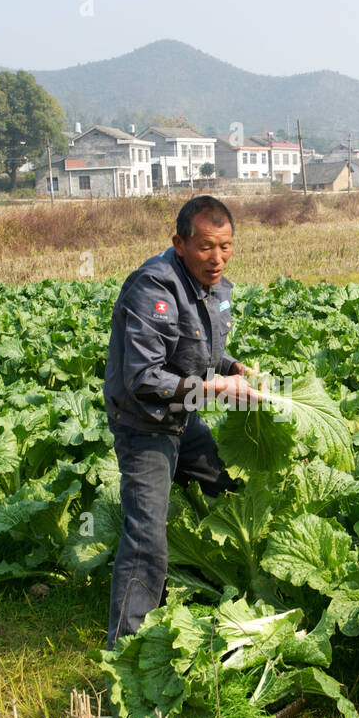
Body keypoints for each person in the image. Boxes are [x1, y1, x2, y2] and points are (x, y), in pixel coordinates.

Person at [103, 196, 264, 665]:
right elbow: (144, 380)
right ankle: (127, 653)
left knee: (228, 487)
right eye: (205, 247)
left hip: (183, 417)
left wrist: (231, 365)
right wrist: (216, 390)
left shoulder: (215, 288)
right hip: (144, 423)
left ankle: (225, 585)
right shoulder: (153, 286)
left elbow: (202, 351)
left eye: (226, 247)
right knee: (146, 535)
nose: (217, 259)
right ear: (179, 243)